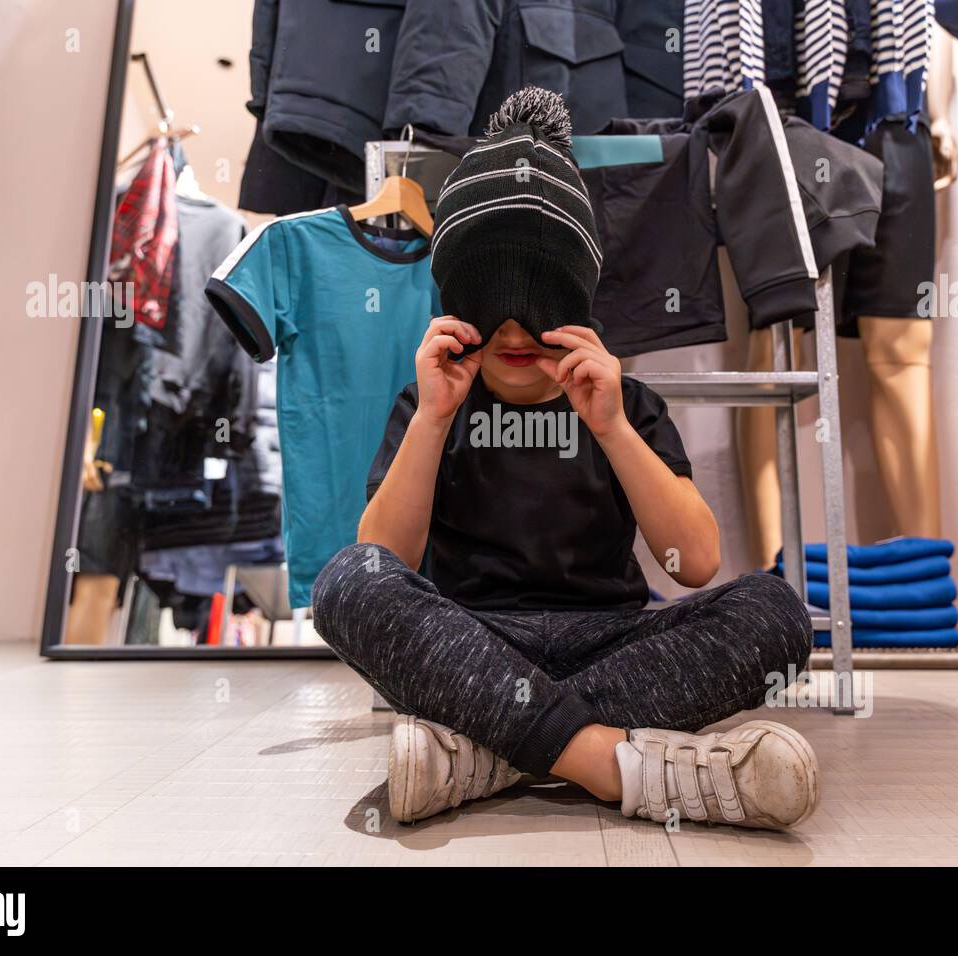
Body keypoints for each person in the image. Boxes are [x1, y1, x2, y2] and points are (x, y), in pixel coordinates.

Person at [312, 88, 819, 828]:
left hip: (609, 641)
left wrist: (612, 429)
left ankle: (491, 753)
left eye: (541, 298)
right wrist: (432, 419)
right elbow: (385, 559)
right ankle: (611, 763)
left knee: (776, 612)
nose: (516, 329)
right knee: (347, 581)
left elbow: (695, 565)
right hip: (476, 642)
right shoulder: (428, 408)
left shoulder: (629, 405)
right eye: (491, 299)